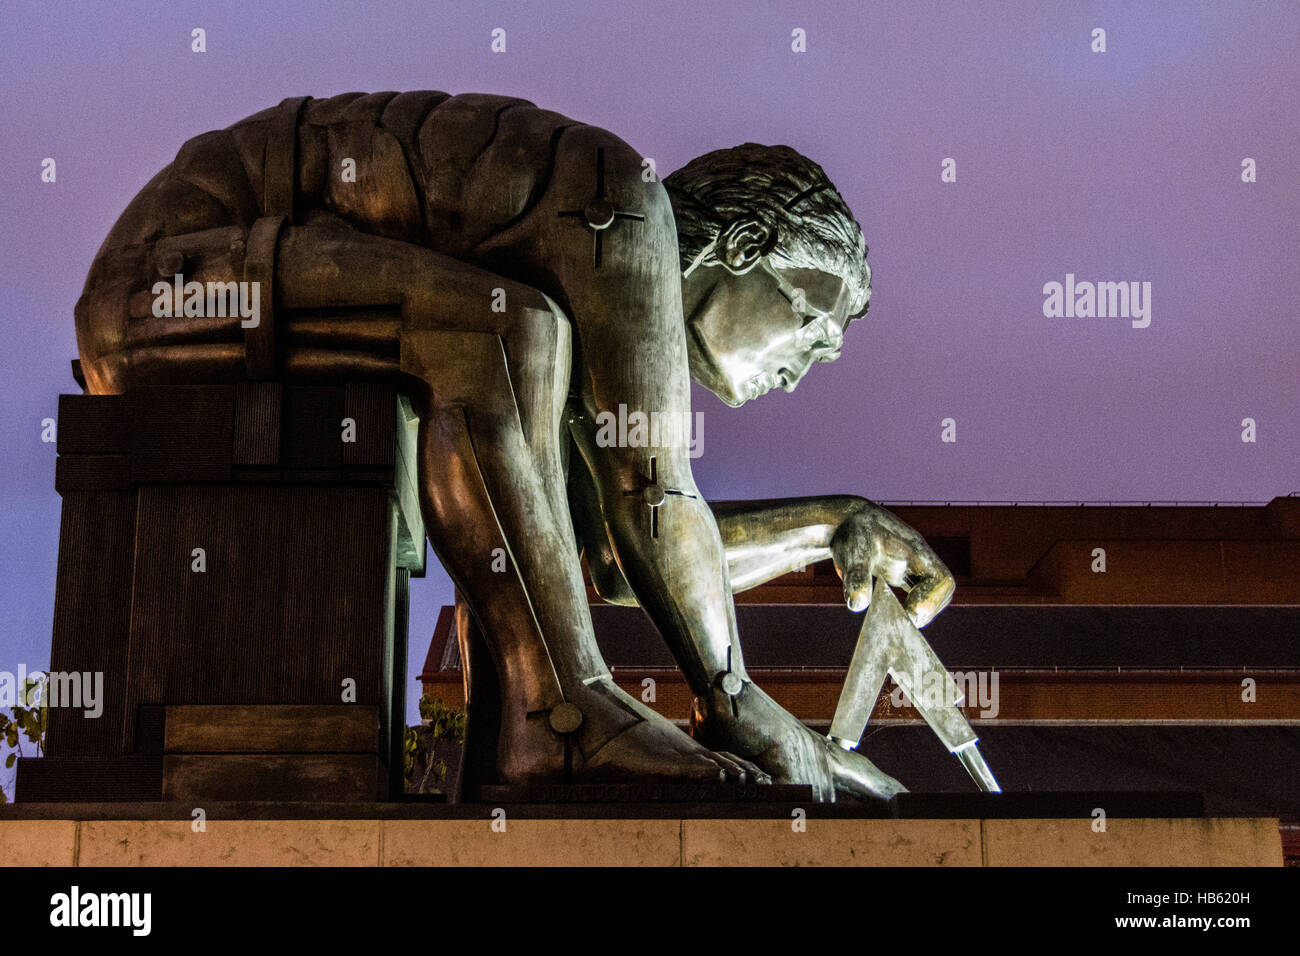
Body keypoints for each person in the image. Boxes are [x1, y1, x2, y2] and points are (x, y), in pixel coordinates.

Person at [76, 92, 955, 801]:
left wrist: (832, 526)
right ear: (746, 247)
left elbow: (607, 558)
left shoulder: (584, 288)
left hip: (225, 286)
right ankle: (561, 719)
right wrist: (736, 702)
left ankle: (544, 721)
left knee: (518, 341)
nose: (800, 369)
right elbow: (653, 494)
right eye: (807, 325)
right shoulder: (624, 204)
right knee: (504, 334)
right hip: (164, 286)